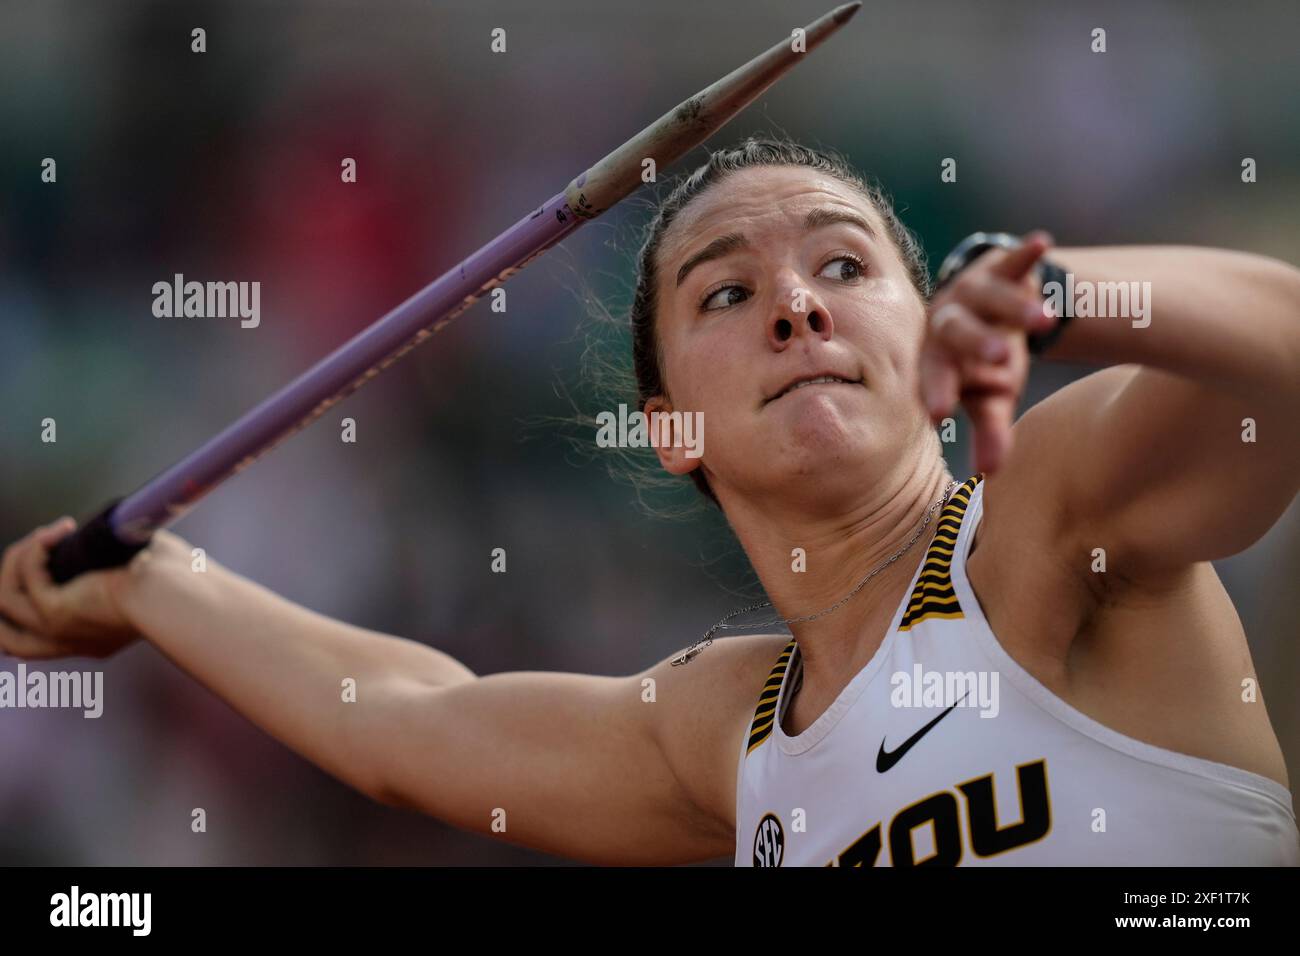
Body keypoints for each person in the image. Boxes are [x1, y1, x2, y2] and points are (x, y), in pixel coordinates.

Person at [2, 137, 1298, 866]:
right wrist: (153, 584)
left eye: (844, 265)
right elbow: (413, 720)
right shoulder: (724, 737)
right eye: (728, 295)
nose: (796, 303)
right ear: (674, 429)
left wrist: (1057, 291)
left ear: (933, 358)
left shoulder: (1048, 520)